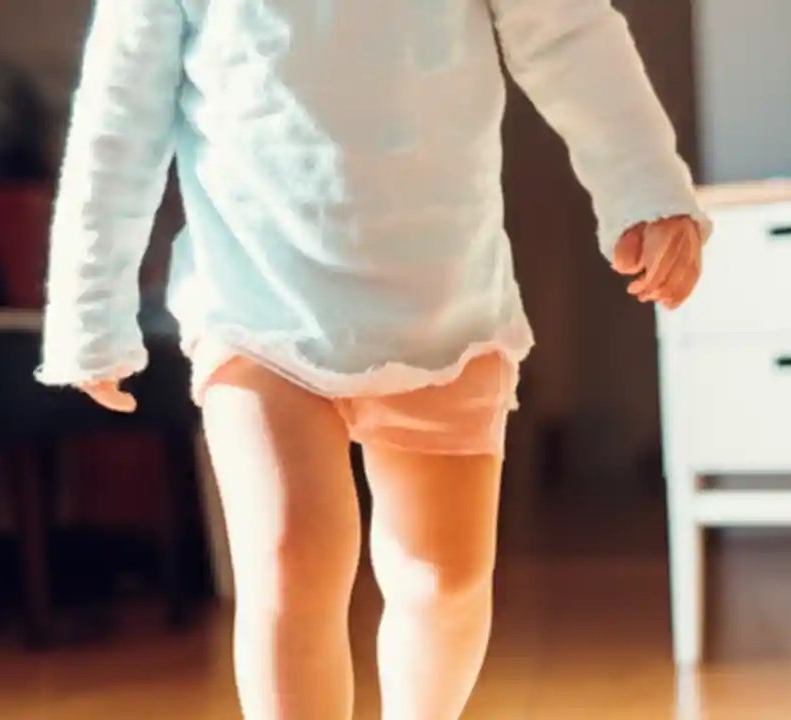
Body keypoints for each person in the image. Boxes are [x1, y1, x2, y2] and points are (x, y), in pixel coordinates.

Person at [36, 0, 708, 717]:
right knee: (290, 558)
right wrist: (89, 304)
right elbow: (119, 110)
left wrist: (646, 187)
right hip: (256, 296)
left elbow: (571, 34)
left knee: (441, 581)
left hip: (440, 297)